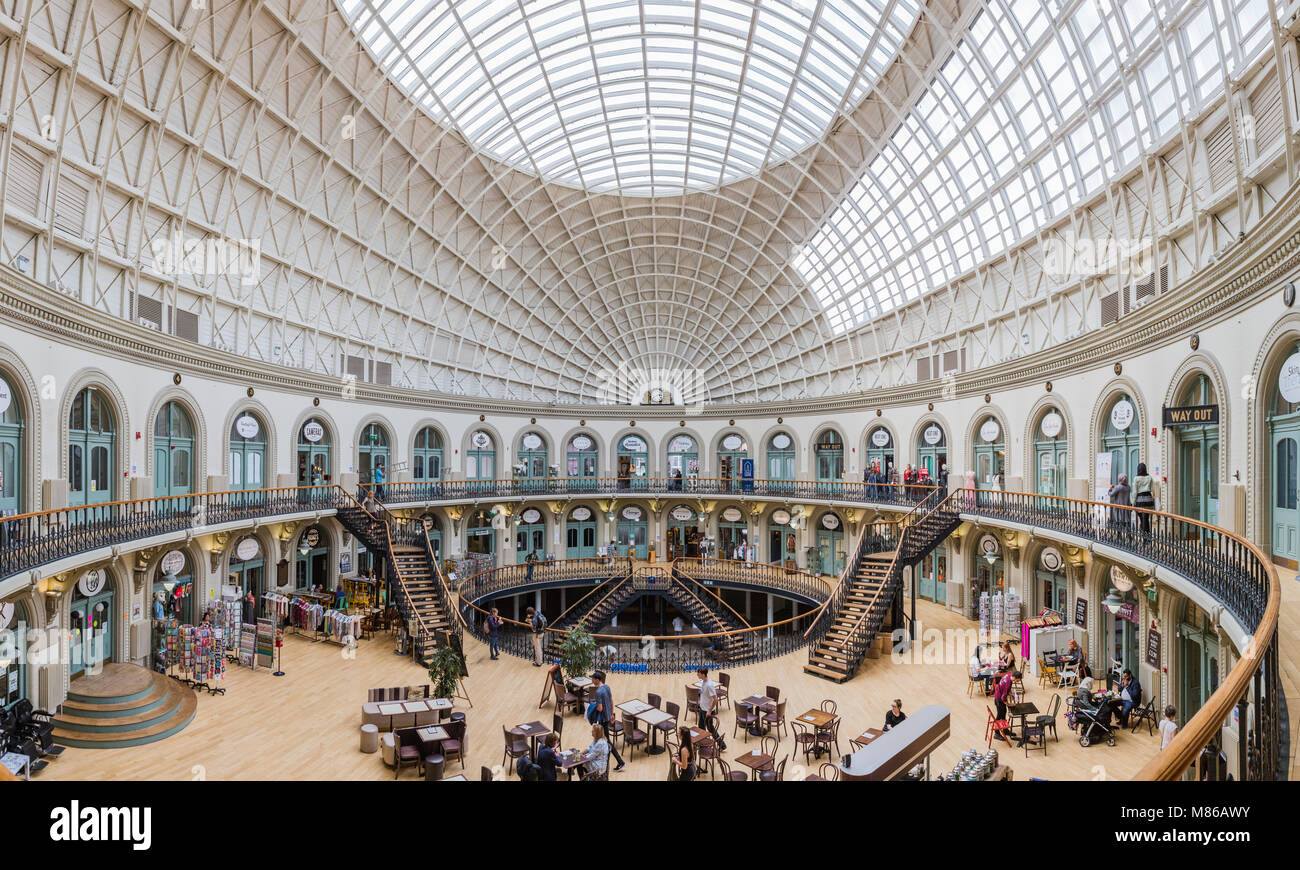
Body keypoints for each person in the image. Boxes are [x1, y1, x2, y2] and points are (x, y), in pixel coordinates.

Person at [589, 670, 626, 772]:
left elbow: (600, 708)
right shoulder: (607, 687)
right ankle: (609, 758)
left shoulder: (598, 692)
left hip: (602, 720)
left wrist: (592, 706)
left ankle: (620, 762)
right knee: (605, 740)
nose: (591, 680)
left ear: (597, 680)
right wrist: (612, 714)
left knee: (607, 742)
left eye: (592, 678)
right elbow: (611, 700)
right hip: (608, 717)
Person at [696, 666, 727, 750]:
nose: (697, 675)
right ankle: (703, 744)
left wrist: (709, 711)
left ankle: (722, 745)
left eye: (698, 674)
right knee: (701, 728)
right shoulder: (703, 681)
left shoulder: (709, 685)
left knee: (711, 729)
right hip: (702, 709)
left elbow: (715, 699)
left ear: (703, 674)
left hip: (707, 711)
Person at [992, 670, 1018, 740]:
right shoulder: (1008, 683)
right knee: (999, 716)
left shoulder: (1009, 675)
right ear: (1015, 677)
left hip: (998, 695)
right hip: (999, 699)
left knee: (1003, 714)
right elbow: (1003, 697)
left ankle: (1005, 730)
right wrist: (1009, 704)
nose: (1017, 682)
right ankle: (996, 733)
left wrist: (1010, 693)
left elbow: (1004, 689)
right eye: (1017, 680)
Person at [1133, 463, 1155, 534]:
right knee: (1146, 518)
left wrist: (1133, 502)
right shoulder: (1150, 477)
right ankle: (1147, 536)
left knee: (1142, 519)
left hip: (1140, 499)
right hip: (1148, 499)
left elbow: (1135, 492)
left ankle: (1144, 535)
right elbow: (1152, 490)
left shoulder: (1136, 478)